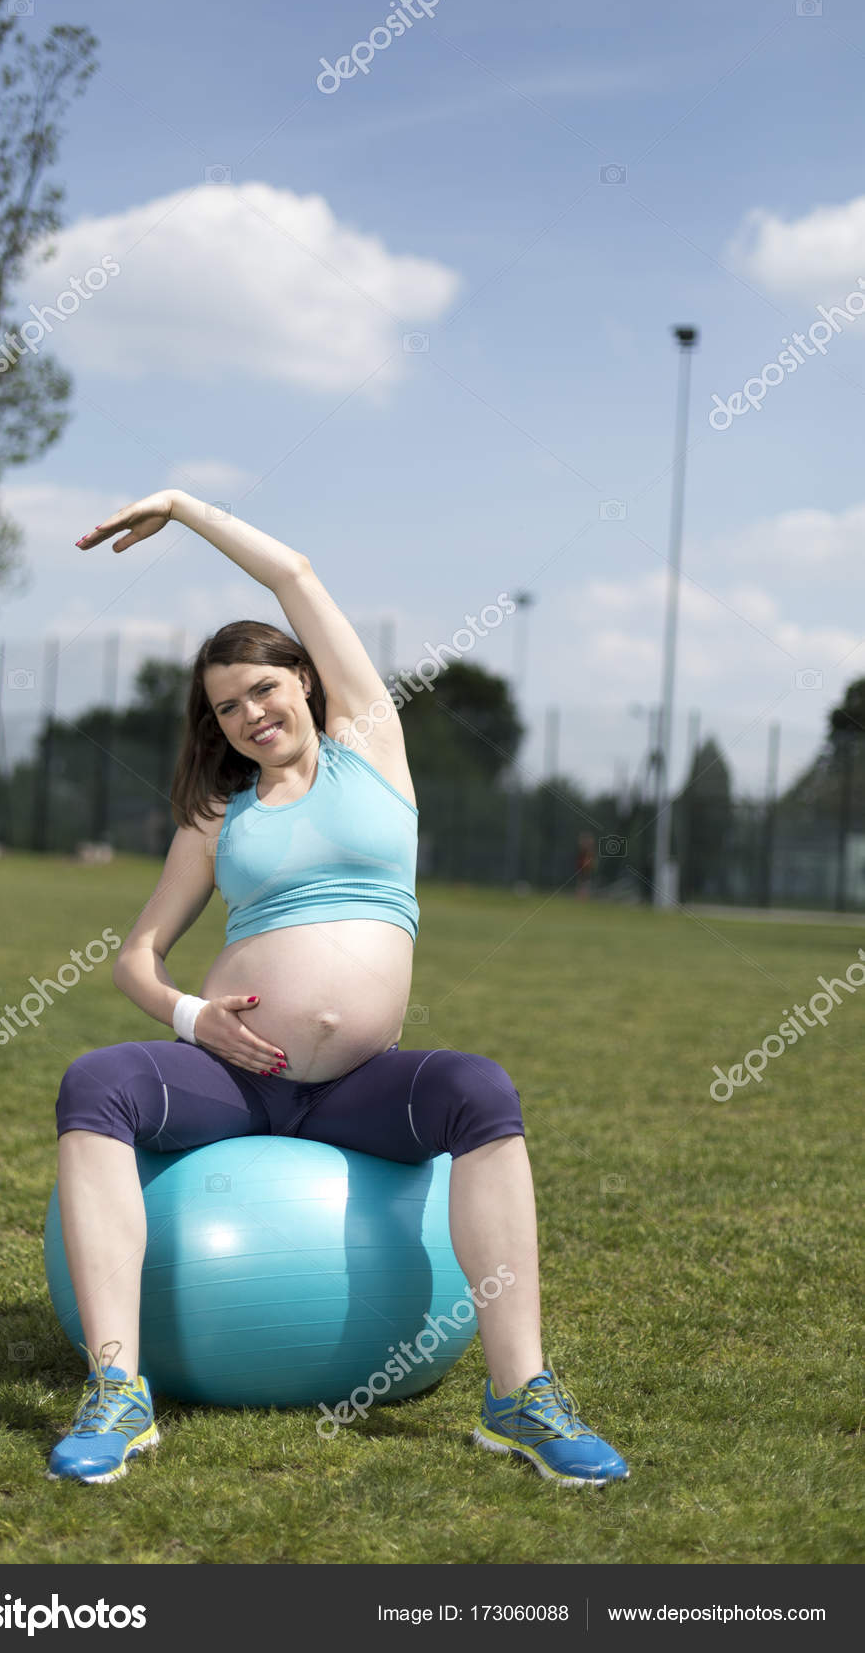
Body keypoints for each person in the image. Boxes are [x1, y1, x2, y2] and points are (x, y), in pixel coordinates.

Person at [48, 488, 628, 1489]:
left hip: (359, 1086)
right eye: (227, 707)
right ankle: (115, 1389)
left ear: (307, 682)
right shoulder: (216, 817)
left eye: (264, 688)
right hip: (236, 1081)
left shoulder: (371, 748)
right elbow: (136, 955)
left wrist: (183, 508)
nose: (250, 714)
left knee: (479, 1089)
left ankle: (520, 1396)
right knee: (94, 1083)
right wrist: (191, 1017)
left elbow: (294, 574)